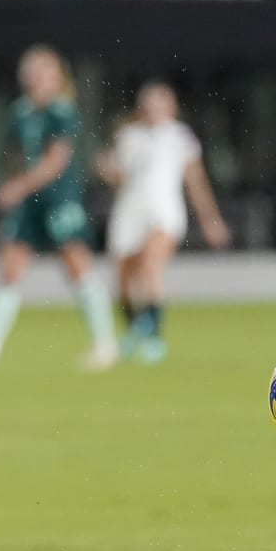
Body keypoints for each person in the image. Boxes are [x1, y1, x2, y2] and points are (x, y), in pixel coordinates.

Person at [0, 45, 117, 372]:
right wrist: (11, 182)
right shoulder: (21, 112)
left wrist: (18, 186)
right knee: (10, 267)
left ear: (57, 77)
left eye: (43, 71)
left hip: (58, 199)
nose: (35, 78)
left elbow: (56, 161)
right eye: (31, 71)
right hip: (30, 203)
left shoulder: (62, 111)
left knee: (77, 266)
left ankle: (105, 343)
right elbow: (17, 156)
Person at [95, 80, 229, 363]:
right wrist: (106, 170)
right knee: (122, 281)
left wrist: (210, 220)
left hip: (164, 212)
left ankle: (153, 337)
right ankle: (136, 329)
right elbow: (122, 181)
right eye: (149, 104)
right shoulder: (129, 136)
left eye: (161, 103)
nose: (154, 109)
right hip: (130, 212)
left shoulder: (180, 138)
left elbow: (195, 181)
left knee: (150, 268)